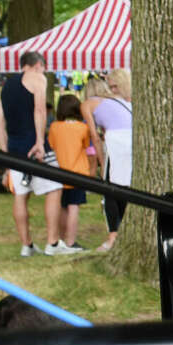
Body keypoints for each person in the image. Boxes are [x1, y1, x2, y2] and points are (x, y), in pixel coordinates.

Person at [0, 50, 63, 256]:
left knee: (21, 195)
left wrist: (6, 154)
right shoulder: (37, 78)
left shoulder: (6, 87)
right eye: (43, 68)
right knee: (55, 188)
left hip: (14, 148)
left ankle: (26, 245)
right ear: (37, 65)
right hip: (35, 145)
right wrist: (40, 142)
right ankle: (52, 243)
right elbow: (40, 110)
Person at [85, 70, 133, 251]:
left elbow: (95, 137)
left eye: (115, 86)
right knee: (126, 188)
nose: (113, 90)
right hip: (129, 144)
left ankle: (113, 235)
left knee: (109, 190)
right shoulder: (125, 103)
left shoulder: (89, 104)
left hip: (115, 145)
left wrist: (101, 161)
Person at [46, 94, 92, 252]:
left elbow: (51, 145)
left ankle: (60, 238)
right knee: (74, 207)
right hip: (78, 172)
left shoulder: (54, 127)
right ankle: (71, 241)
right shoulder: (83, 128)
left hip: (59, 172)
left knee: (62, 207)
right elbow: (86, 145)